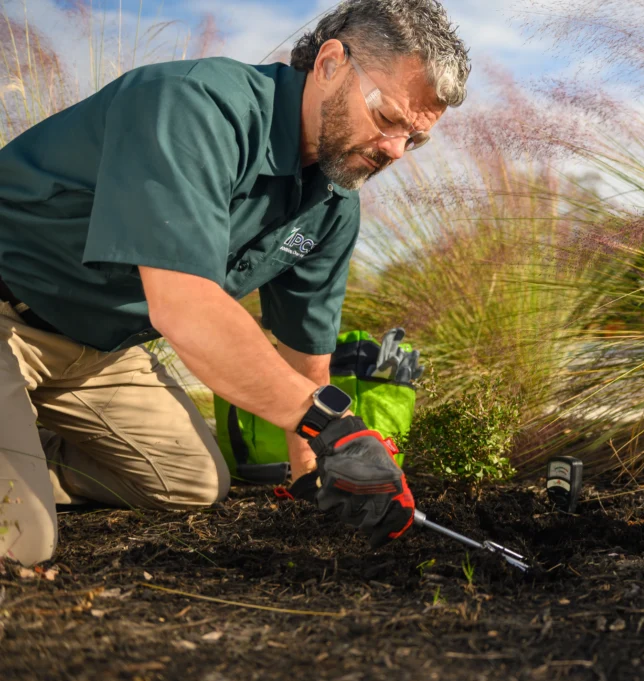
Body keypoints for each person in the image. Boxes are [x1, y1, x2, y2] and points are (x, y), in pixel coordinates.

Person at [0, 0, 470, 565]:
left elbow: (306, 357)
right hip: (10, 312)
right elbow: (186, 307)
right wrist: (335, 428)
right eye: (388, 118)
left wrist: (311, 476)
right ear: (329, 64)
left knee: (190, 485)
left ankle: (21, 442)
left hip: (100, 351)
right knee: (25, 543)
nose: (395, 150)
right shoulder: (194, 106)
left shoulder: (334, 203)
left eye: (413, 140)